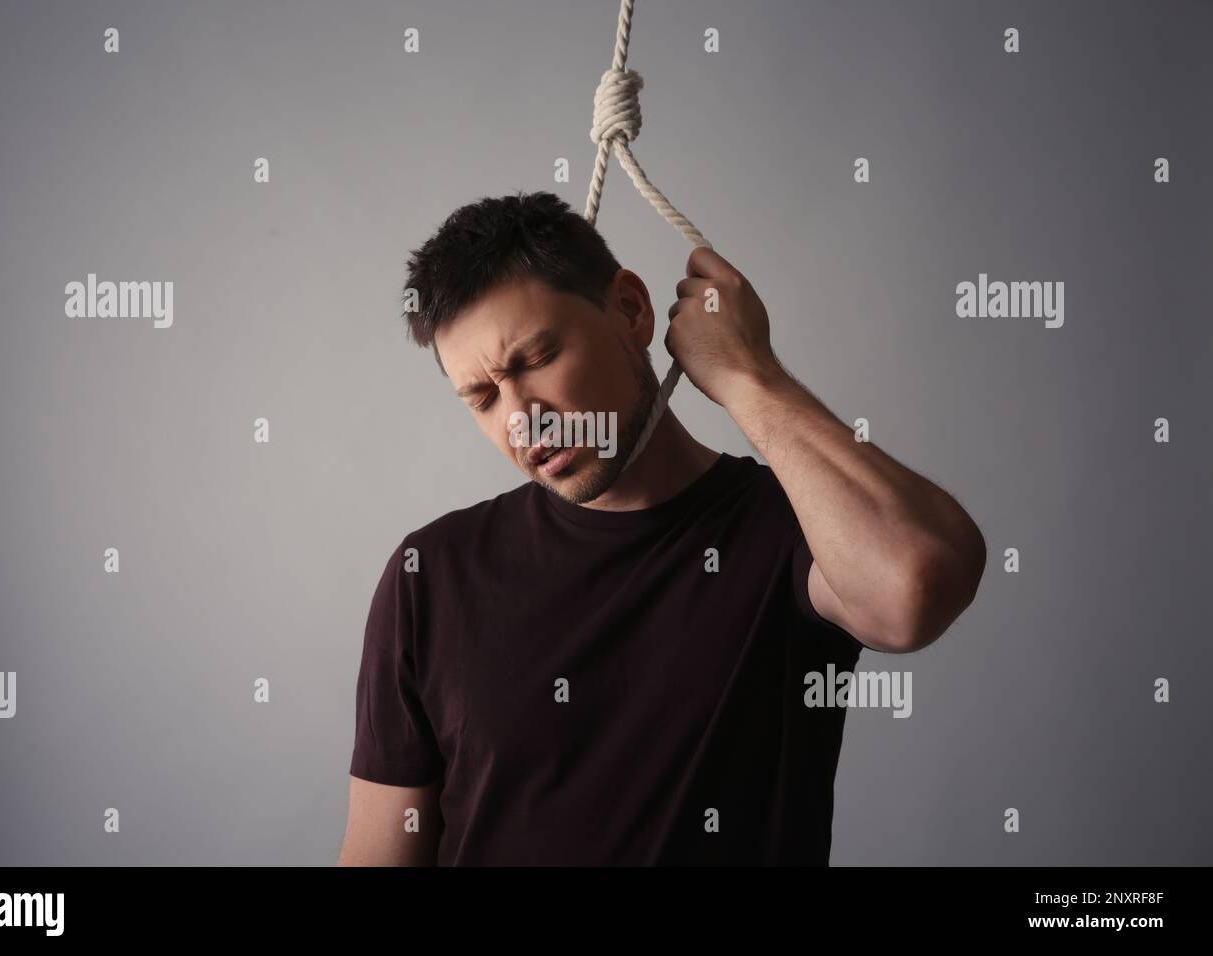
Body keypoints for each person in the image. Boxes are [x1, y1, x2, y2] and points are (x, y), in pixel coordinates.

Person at [337, 191, 985, 865]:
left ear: (631, 310)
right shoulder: (432, 572)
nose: (519, 418)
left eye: (535, 358)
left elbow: (917, 585)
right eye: (483, 396)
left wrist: (748, 375)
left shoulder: (791, 529)